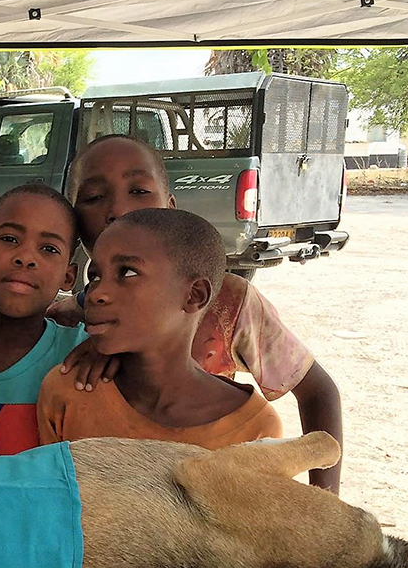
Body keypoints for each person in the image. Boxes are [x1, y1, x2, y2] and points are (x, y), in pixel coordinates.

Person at [51, 134, 344, 491]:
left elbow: (317, 391)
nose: (117, 209)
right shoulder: (82, 315)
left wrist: (328, 502)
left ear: (171, 205)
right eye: (94, 198)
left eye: (139, 190)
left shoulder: (231, 301)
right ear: (76, 224)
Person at [39, 208, 283, 448]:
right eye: (94, 277)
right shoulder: (67, 394)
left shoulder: (254, 429)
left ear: (194, 296)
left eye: (127, 272)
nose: (96, 294)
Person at [0, 183, 83, 455]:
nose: (26, 258)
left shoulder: (81, 357)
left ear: (69, 276)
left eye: (49, 249)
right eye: (9, 239)